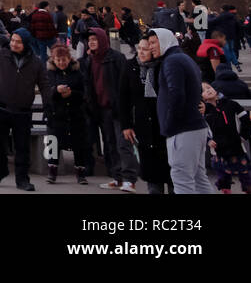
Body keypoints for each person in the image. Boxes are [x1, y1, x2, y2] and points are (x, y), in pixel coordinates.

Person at [0, 28, 51, 191]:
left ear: (25, 43)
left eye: (18, 42)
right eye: (12, 40)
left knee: (22, 148)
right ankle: (0, 170)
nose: (14, 44)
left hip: (23, 110)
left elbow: (44, 84)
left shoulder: (35, 62)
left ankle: (22, 179)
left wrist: (48, 103)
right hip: (0, 107)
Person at [147, 27, 215, 194]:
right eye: (149, 43)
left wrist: (170, 124)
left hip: (182, 130)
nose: (150, 47)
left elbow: (176, 94)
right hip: (194, 127)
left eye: (154, 42)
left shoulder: (172, 61)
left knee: (182, 180)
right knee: (199, 179)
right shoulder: (183, 58)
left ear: (164, 41)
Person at [84, 27, 136, 192]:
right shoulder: (89, 60)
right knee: (109, 144)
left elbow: (125, 84)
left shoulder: (116, 58)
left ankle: (129, 179)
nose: (92, 42)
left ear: (102, 40)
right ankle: (117, 177)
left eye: (95, 39)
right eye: (89, 40)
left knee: (123, 144)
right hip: (101, 109)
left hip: (118, 108)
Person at [119, 33, 171, 194]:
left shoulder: (164, 66)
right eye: (139, 48)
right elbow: (123, 98)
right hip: (143, 125)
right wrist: (126, 125)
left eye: (145, 49)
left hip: (164, 123)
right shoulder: (130, 66)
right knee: (152, 174)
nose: (140, 52)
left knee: (172, 174)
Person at [43, 43, 90, 184]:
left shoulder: (77, 73)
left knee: (79, 145)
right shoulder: (49, 74)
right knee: (52, 144)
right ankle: (52, 172)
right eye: (58, 60)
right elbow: (46, 93)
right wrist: (56, 91)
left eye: (64, 59)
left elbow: (84, 93)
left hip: (75, 114)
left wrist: (72, 94)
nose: (61, 63)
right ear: (53, 60)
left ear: (69, 59)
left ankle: (81, 174)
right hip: (55, 115)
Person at [201, 82, 251, 193]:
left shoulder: (232, 104)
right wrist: (209, 141)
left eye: (209, 87)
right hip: (218, 151)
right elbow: (202, 131)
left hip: (237, 147)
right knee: (224, 181)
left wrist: (244, 135)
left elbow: (246, 120)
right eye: (203, 90)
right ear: (202, 98)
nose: (208, 90)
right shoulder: (204, 113)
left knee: (246, 177)